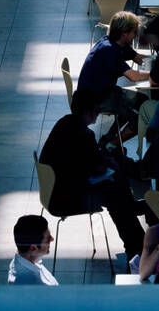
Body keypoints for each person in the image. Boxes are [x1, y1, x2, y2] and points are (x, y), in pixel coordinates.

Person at [39, 90, 146, 263]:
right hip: (66, 197)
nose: (98, 114)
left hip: (57, 189)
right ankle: (137, 246)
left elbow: (84, 162)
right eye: (96, 110)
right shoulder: (84, 134)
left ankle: (136, 241)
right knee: (115, 197)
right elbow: (98, 169)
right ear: (88, 111)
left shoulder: (64, 122)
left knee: (116, 192)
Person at [76, 11, 151, 120]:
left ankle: (110, 136)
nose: (136, 36)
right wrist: (157, 73)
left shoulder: (117, 42)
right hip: (94, 100)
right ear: (124, 33)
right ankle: (111, 138)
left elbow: (138, 58)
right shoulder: (108, 50)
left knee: (142, 100)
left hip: (106, 91)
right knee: (137, 120)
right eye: (134, 32)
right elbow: (133, 76)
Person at [8, 215, 59, 286]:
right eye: (47, 239)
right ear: (33, 248)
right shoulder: (32, 284)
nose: (52, 239)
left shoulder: (26, 257)